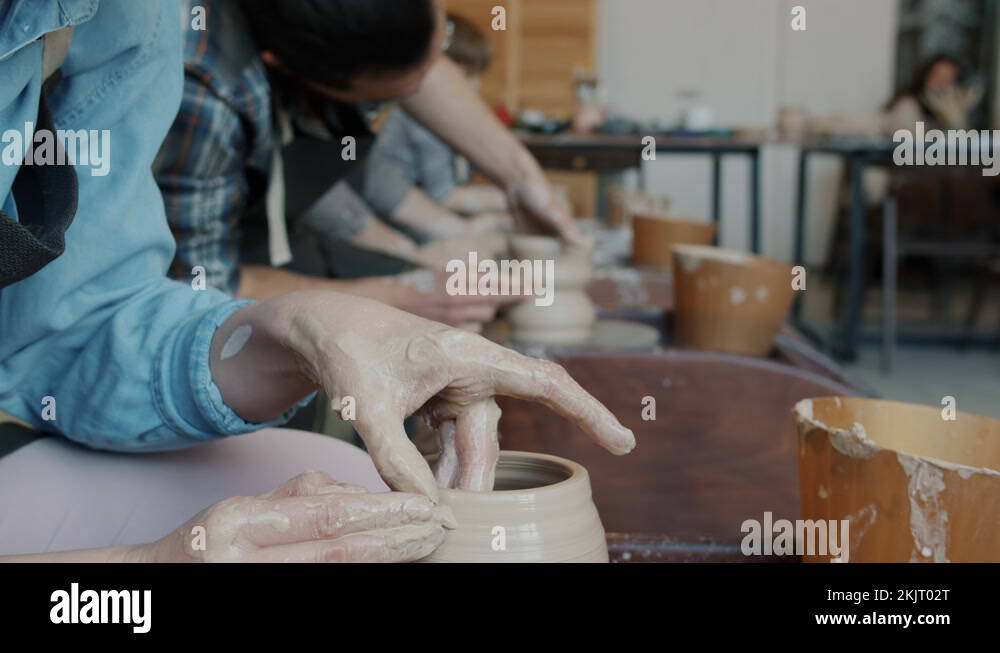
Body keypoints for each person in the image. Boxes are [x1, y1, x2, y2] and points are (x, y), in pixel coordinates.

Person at [0, 0, 633, 563]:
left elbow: (73, 330)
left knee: (341, 480)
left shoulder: (132, 13)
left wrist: (295, 328)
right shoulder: (211, 86)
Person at [155, 0, 576, 327]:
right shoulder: (207, 88)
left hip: (294, 233)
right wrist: (409, 296)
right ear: (284, 67)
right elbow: (203, 288)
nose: (418, 91)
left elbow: (415, 66)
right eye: (388, 94)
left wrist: (522, 177)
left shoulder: (372, 29)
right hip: (199, 282)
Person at [366, 12, 510, 241]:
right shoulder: (422, 118)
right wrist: (507, 199)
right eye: (469, 74)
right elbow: (443, 196)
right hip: (398, 223)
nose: (477, 84)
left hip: (417, 213)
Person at [883, 54, 981, 132]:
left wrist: (957, 119)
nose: (941, 85)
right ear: (924, 77)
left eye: (948, 79)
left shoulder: (952, 108)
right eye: (937, 77)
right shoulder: (907, 105)